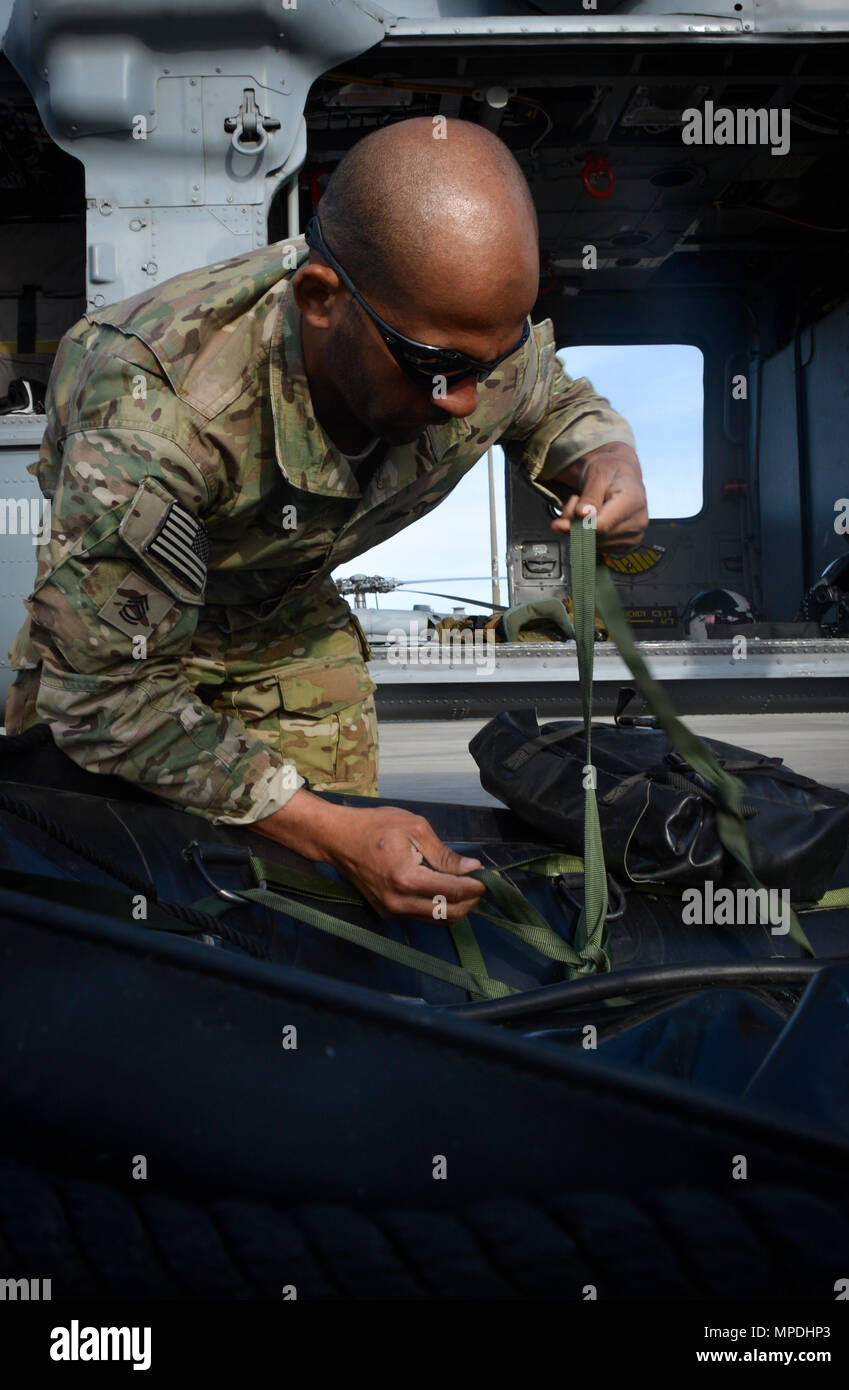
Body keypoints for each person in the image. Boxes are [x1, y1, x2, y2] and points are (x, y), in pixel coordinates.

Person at [5, 116, 647, 923]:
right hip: (127, 652)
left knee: (328, 924)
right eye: (438, 370)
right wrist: (324, 828)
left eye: (489, 364)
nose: (465, 404)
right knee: (105, 913)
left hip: (287, 631)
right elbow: (103, 697)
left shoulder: (463, 343)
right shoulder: (153, 404)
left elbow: (548, 396)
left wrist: (603, 461)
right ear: (320, 300)